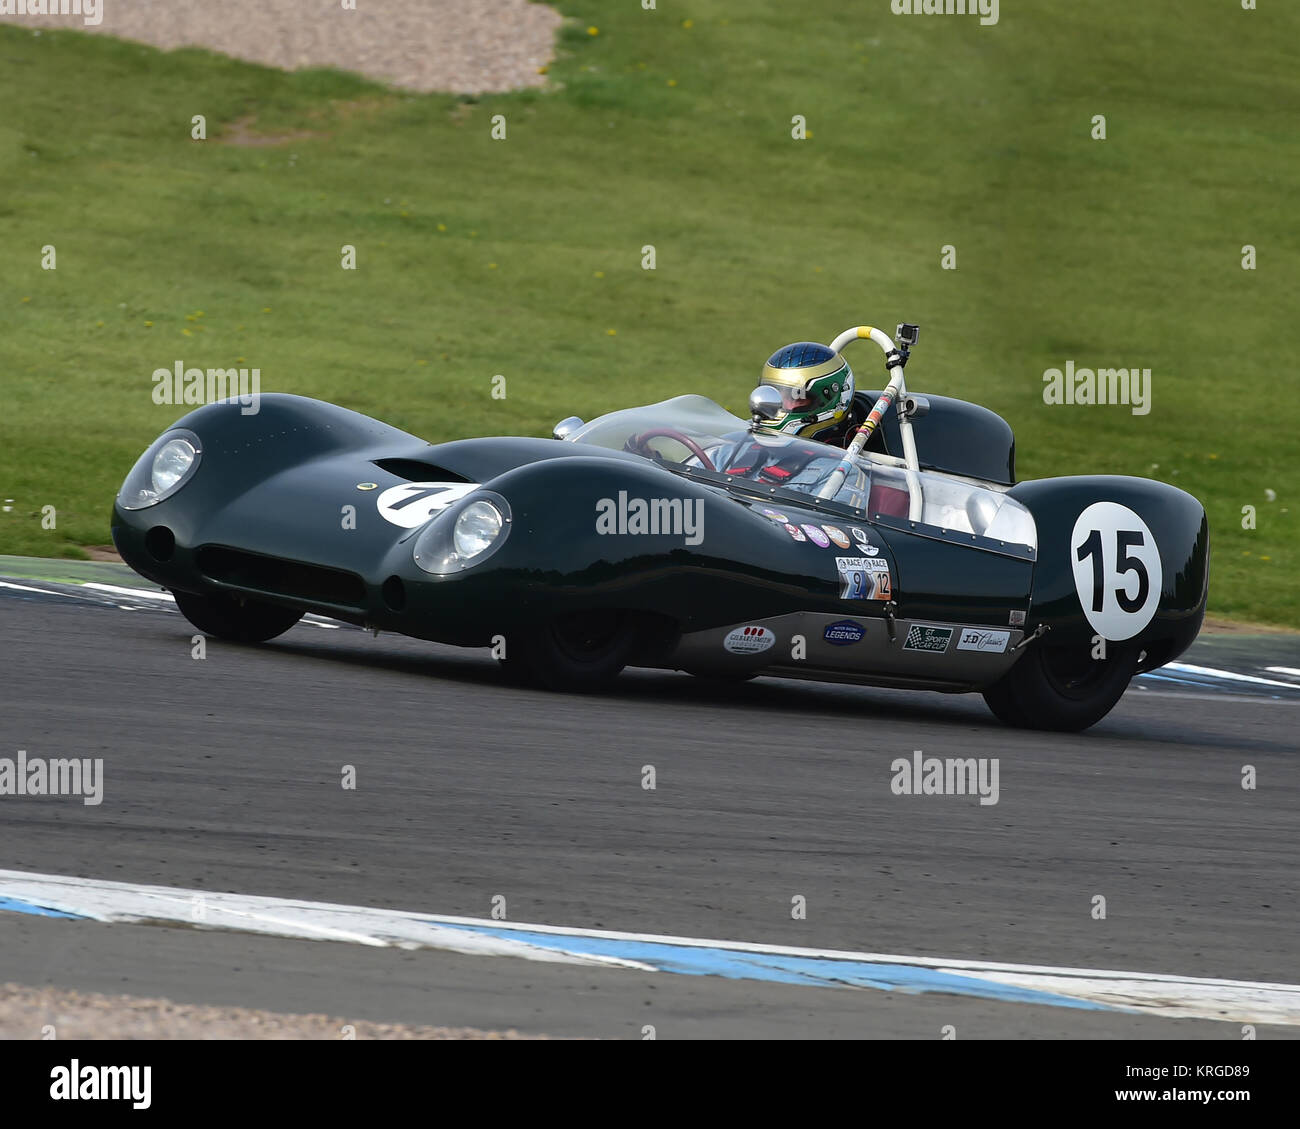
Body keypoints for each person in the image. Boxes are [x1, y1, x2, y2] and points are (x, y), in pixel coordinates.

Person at [751, 341, 866, 447]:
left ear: (833, 402)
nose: (780, 405)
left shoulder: (845, 464)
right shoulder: (747, 443)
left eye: (797, 398)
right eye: (776, 394)